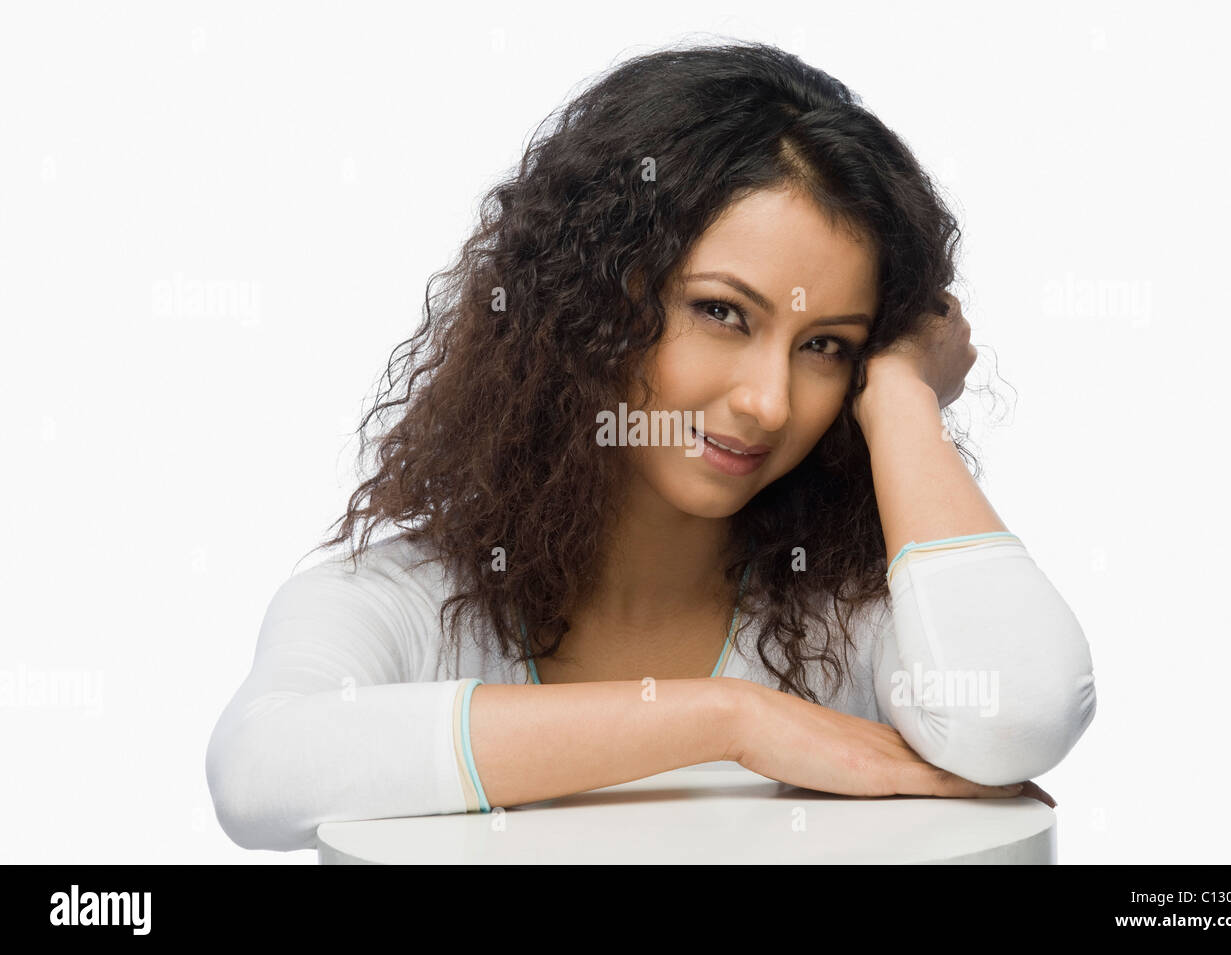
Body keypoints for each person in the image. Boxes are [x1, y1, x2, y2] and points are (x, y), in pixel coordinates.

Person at [205, 39, 1095, 852]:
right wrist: (729, 720)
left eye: (827, 345)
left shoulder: (853, 620)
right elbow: (259, 768)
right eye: (720, 312)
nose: (768, 401)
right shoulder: (404, 604)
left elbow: (1020, 710)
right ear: (591, 302)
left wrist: (902, 399)